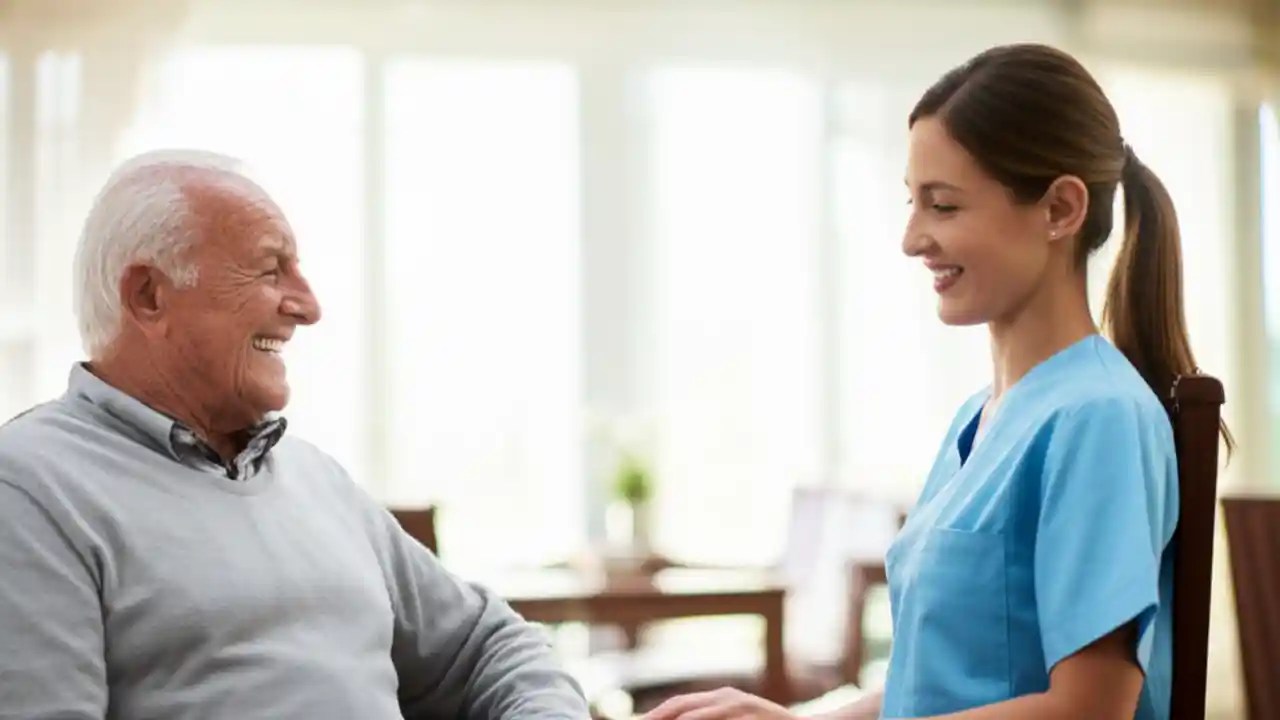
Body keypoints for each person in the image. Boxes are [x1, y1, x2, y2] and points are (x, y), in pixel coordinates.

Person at [642, 42, 1229, 720]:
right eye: (912, 203)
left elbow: (1088, 709)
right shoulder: (979, 419)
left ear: (1060, 210)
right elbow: (938, 687)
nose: (912, 238)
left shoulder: (1097, 417)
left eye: (943, 206)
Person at [0, 150, 591, 719]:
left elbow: (491, 647)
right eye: (268, 269)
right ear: (149, 296)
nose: (308, 306)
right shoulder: (28, 487)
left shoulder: (314, 479)